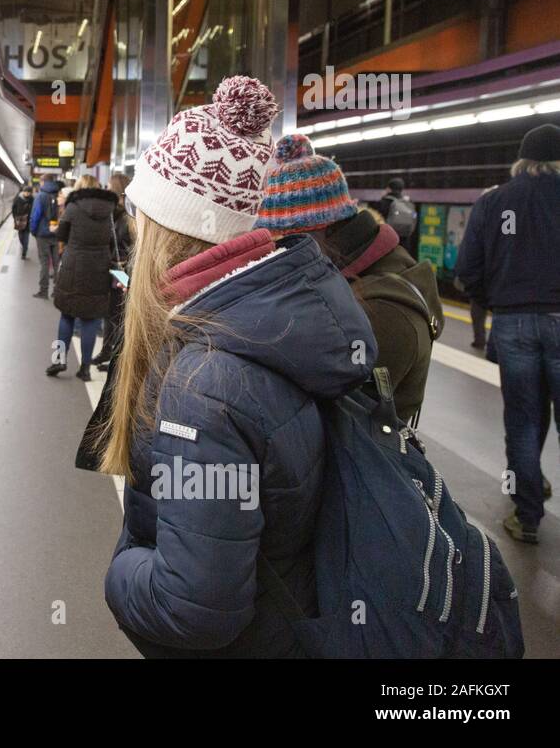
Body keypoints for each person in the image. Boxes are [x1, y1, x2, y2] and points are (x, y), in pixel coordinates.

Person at [85, 75, 377, 657]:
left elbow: (195, 609)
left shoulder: (206, 385)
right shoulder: (260, 323)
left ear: (166, 230)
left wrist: (118, 572)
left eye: (139, 215)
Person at [254, 134, 443, 425]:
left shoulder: (380, 311)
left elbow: (320, 422)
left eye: (281, 242)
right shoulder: (351, 276)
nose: (274, 254)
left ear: (315, 234)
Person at [455, 123, 560, 545]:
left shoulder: (494, 202)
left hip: (513, 321)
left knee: (522, 418)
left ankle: (527, 512)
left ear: (522, 160)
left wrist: (496, 300)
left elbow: (467, 271)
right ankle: (533, 485)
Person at [46, 175, 119, 382]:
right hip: (99, 269)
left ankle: (59, 359)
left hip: (74, 267)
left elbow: (61, 235)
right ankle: (85, 368)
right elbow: (112, 240)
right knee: (91, 320)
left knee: (67, 316)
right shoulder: (110, 209)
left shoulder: (74, 207)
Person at [91, 172, 132, 370]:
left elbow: (127, 246)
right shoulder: (116, 215)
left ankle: (114, 358)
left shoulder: (127, 218)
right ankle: (106, 351)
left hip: (122, 270)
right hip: (115, 268)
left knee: (118, 315)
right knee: (111, 313)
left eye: (108, 187)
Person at [29, 175, 62, 298]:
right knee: (56, 263)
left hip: (42, 235)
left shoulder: (40, 196)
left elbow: (35, 215)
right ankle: (57, 291)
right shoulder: (58, 194)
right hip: (56, 233)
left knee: (44, 263)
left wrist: (33, 230)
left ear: (42, 182)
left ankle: (44, 291)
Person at [375, 177, 418, 248]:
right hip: (405, 241)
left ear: (388, 189)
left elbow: (377, 219)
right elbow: (414, 217)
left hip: (388, 241)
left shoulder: (384, 202)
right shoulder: (408, 203)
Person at [11, 184, 34, 259]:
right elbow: (13, 209)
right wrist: (15, 218)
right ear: (23, 192)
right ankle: (23, 245)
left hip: (28, 221)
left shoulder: (32, 199)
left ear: (30, 193)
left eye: (28, 192)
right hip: (19, 220)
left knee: (26, 238)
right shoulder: (17, 199)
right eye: (26, 192)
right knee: (21, 237)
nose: (27, 193)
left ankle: (24, 253)